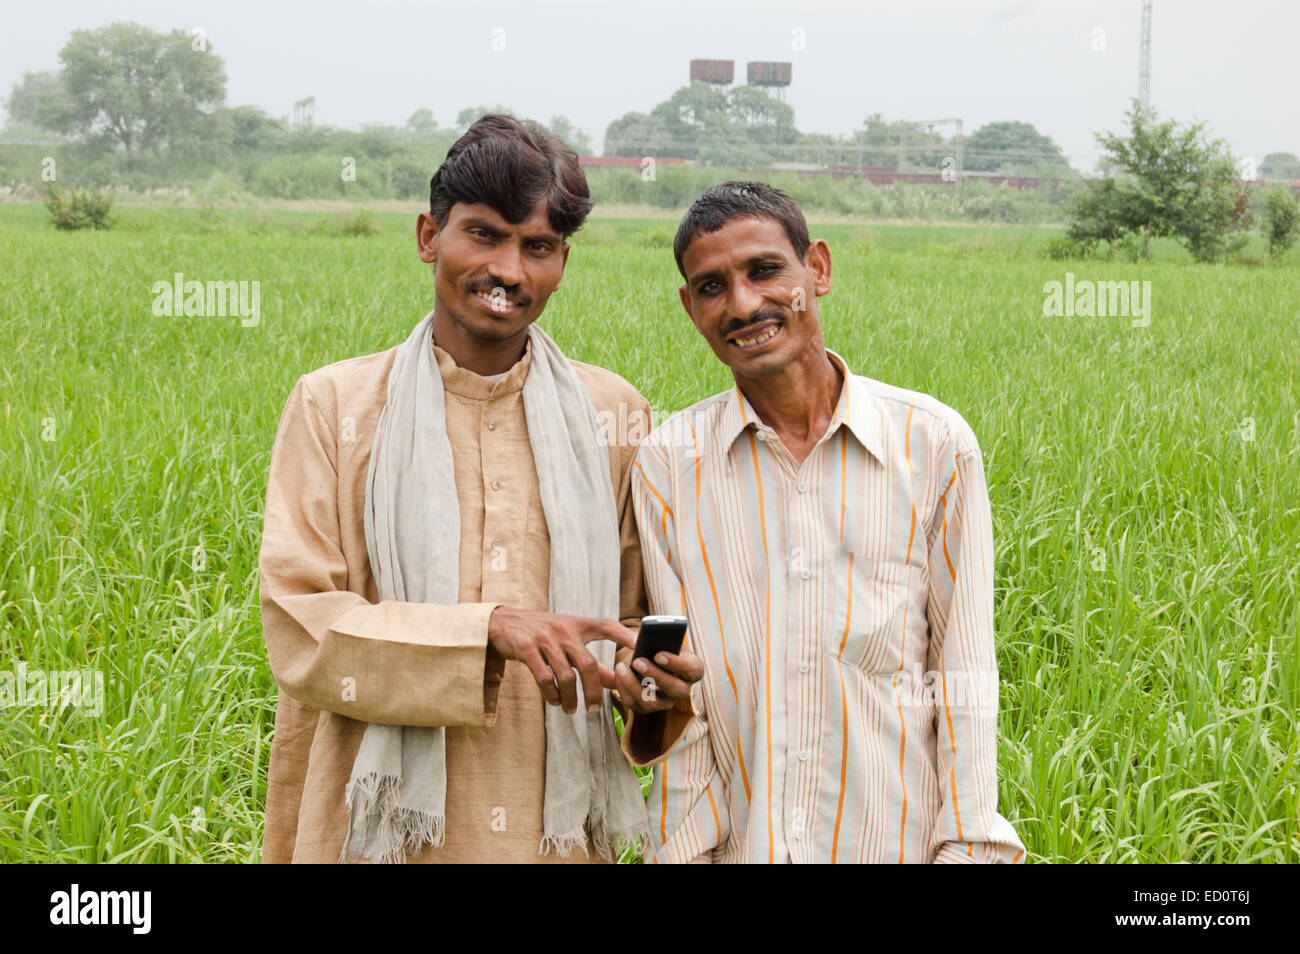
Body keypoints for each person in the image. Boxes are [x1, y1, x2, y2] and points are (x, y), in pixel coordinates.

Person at [258, 114, 701, 864]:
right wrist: (489, 629)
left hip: (549, 827)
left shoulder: (612, 413)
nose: (510, 271)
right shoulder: (335, 405)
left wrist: (653, 683)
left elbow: (627, 617)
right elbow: (303, 627)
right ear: (429, 236)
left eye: (539, 247)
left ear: (564, 258)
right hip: (373, 827)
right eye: (484, 235)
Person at [633, 181, 1026, 863]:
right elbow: (681, 704)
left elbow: (965, 677)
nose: (745, 304)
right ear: (690, 308)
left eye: (765, 271)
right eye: (712, 286)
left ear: (817, 268)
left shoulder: (933, 446)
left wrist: (968, 850)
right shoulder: (669, 464)